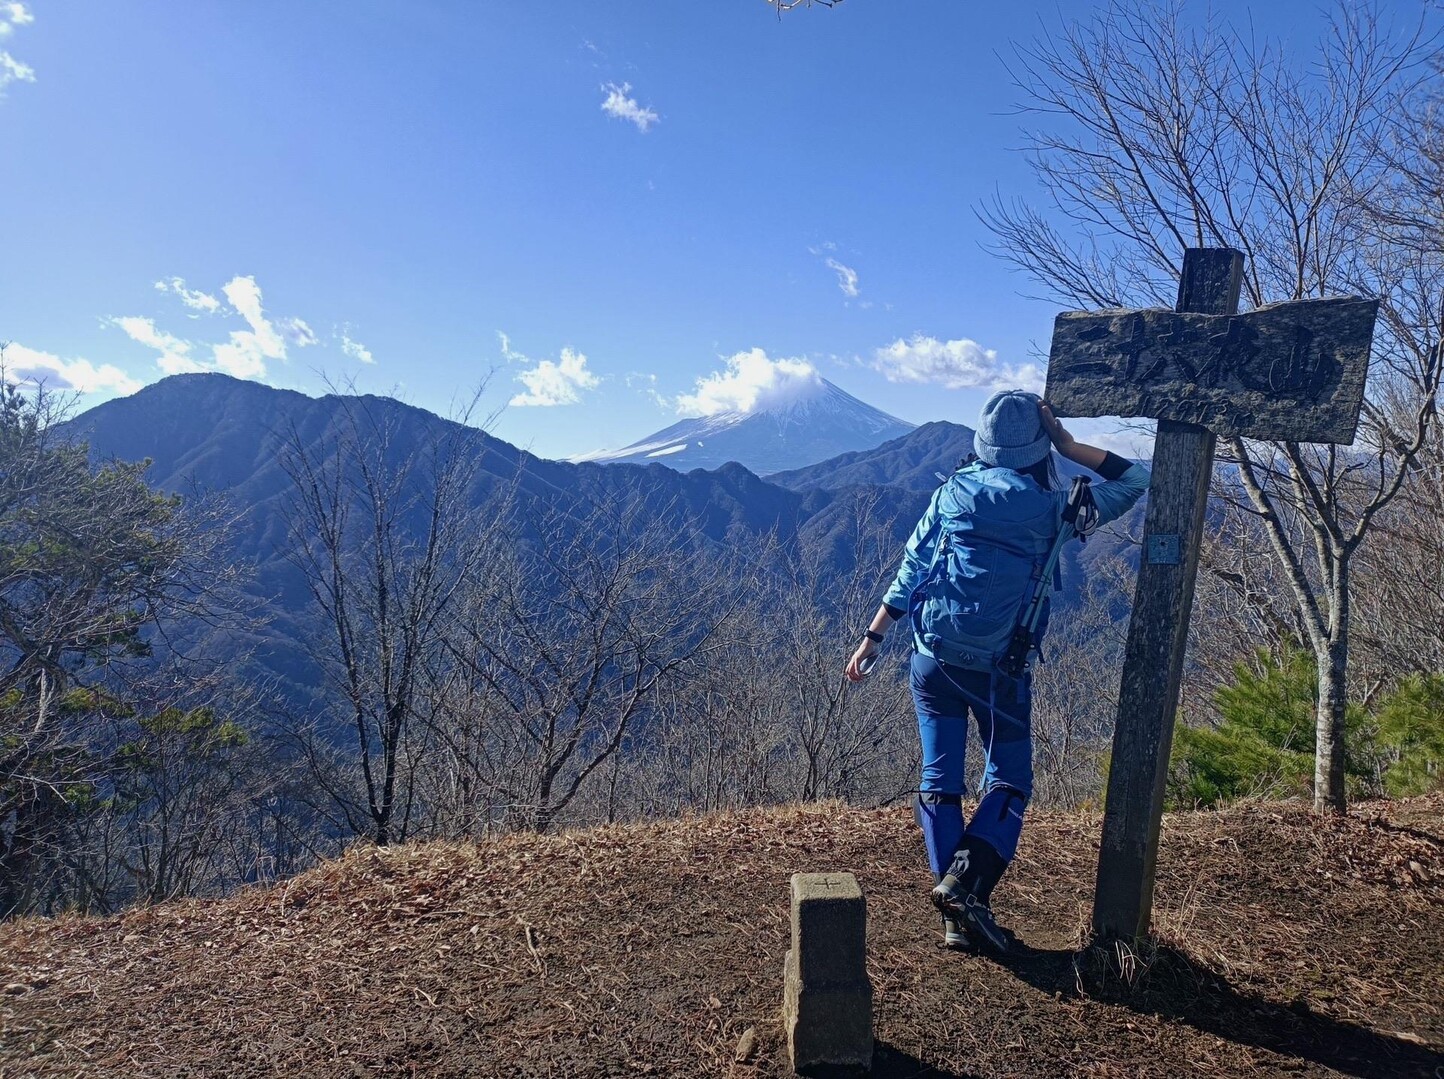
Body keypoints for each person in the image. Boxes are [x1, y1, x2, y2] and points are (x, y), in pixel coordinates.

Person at [844, 391, 1150, 953]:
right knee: (1008, 780)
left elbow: (913, 567)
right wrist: (1068, 443)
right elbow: (1135, 482)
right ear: (1037, 447)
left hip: (932, 659)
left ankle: (956, 916)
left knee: (940, 782)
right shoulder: (1055, 508)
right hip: (1001, 670)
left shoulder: (950, 494)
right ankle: (966, 886)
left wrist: (872, 638)